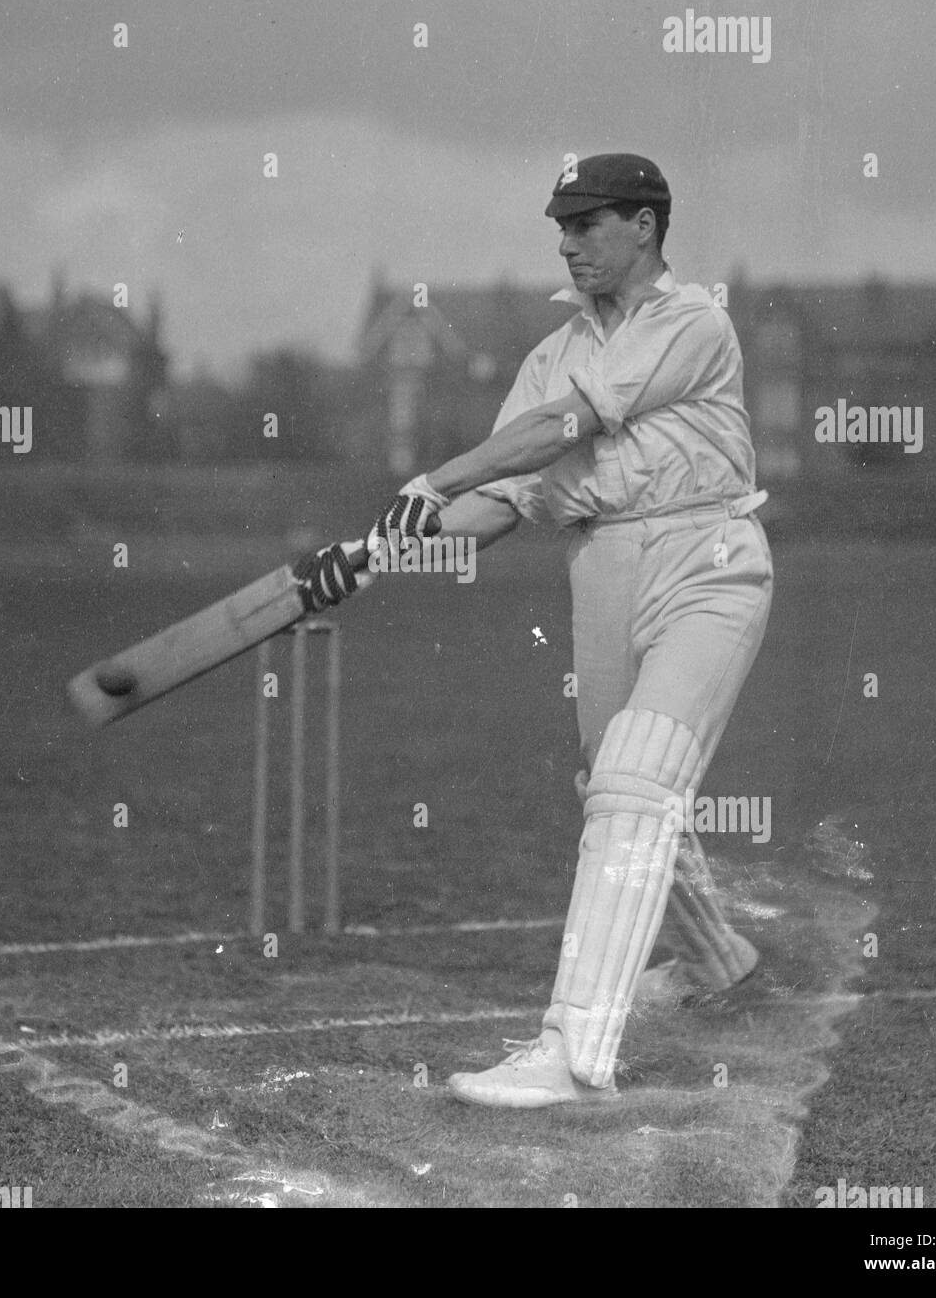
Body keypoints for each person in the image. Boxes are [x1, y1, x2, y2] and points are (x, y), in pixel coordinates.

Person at [301, 153, 773, 1108]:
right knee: (613, 785)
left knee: (637, 779)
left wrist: (437, 478)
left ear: (644, 227)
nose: (568, 242)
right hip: (597, 569)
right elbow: (506, 501)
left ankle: (574, 1055)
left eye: (589, 223)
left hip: (706, 560)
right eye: (561, 225)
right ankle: (721, 960)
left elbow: (563, 428)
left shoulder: (689, 321)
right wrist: (382, 546)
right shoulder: (546, 354)